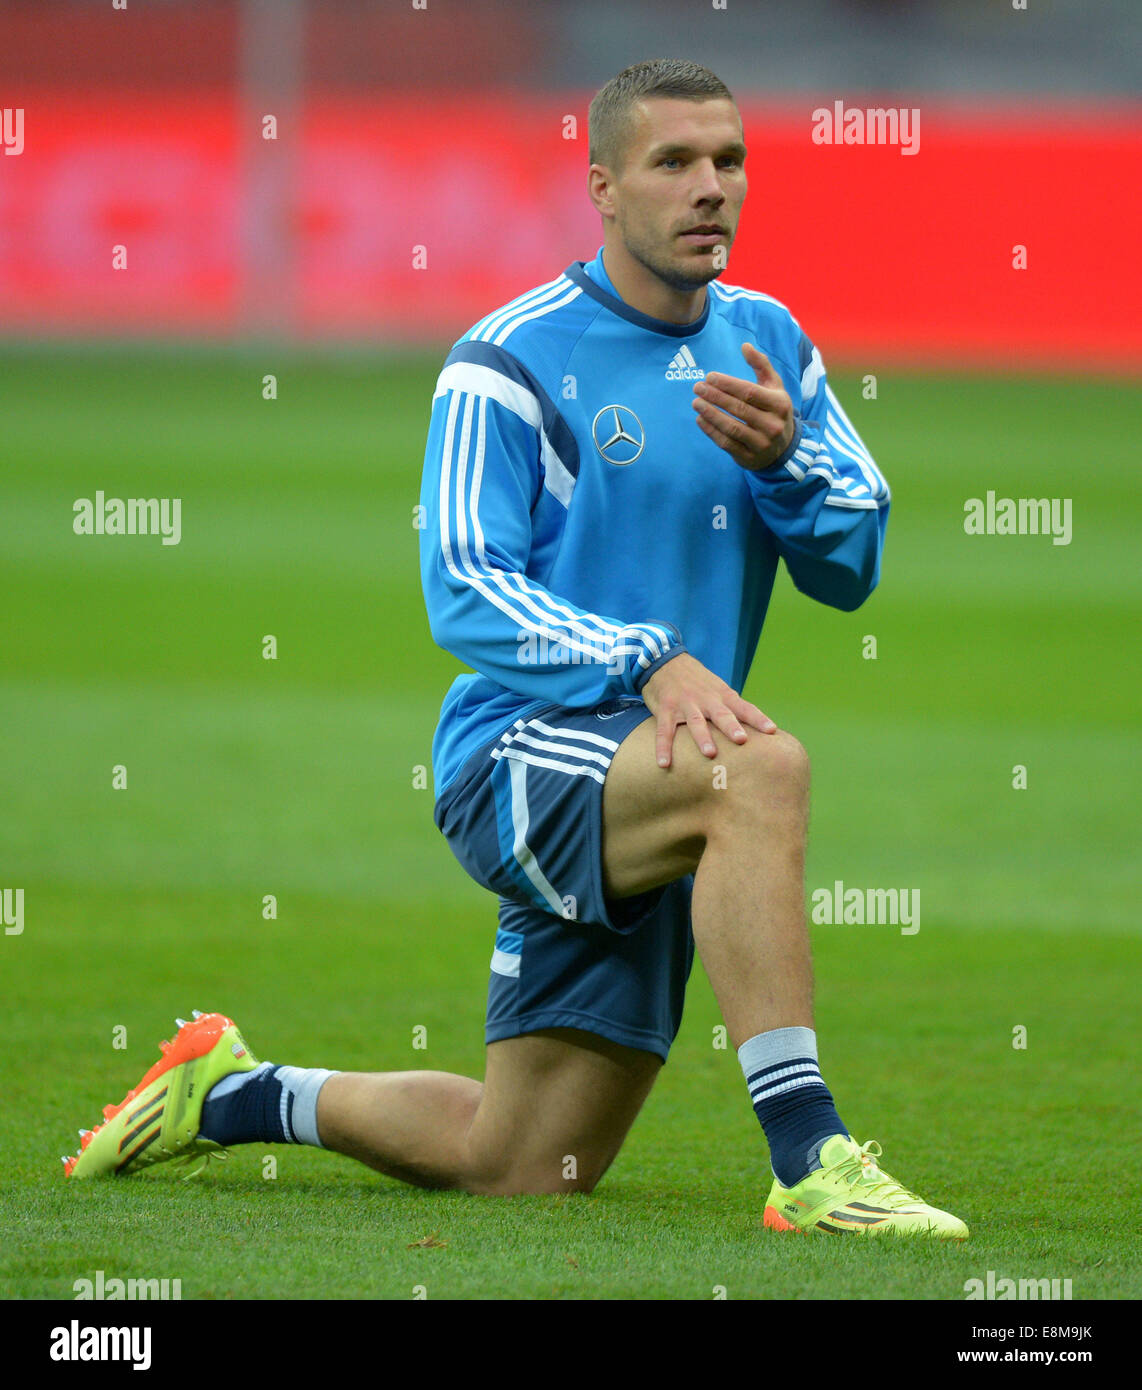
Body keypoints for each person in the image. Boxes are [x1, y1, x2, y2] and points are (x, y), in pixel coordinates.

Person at [64, 59, 966, 1241]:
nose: (710, 188)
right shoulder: (508, 358)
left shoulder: (766, 341)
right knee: (760, 769)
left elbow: (853, 562)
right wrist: (645, 657)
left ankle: (226, 1093)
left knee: (527, 1160)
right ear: (600, 183)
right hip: (516, 756)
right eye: (673, 162)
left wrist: (785, 464)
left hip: (657, 772)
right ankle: (813, 1163)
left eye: (728, 161)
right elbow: (465, 586)